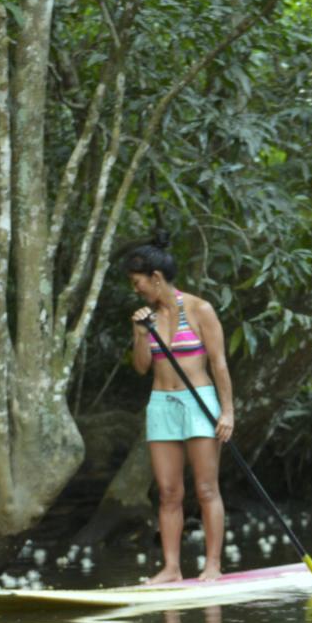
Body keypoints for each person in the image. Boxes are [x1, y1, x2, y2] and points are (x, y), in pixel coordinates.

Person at [126, 231, 234, 583]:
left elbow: (218, 364)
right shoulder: (147, 317)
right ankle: (171, 567)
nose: (136, 289)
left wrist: (227, 412)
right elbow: (141, 368)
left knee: (206, 489)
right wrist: (140, 334)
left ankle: (213, 565)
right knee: (169, 492)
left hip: (199, 402)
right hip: (161, 404)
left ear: (156, 278)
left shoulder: (200, 309)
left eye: (137, 282)